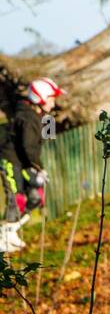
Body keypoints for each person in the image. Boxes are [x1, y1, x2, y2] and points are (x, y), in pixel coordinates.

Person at [0, 77, 63, 253]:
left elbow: (46, 140)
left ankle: (11, 229)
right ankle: (5, 235)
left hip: (26, 162)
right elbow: (29, 147)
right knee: (17, 199)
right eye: (51, 99)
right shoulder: (25, 118)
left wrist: (50, 121)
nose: (53, 103)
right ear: (40, 99)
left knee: (37, 196)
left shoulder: (41, 116)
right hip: (13, 160)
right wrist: (39, 168)